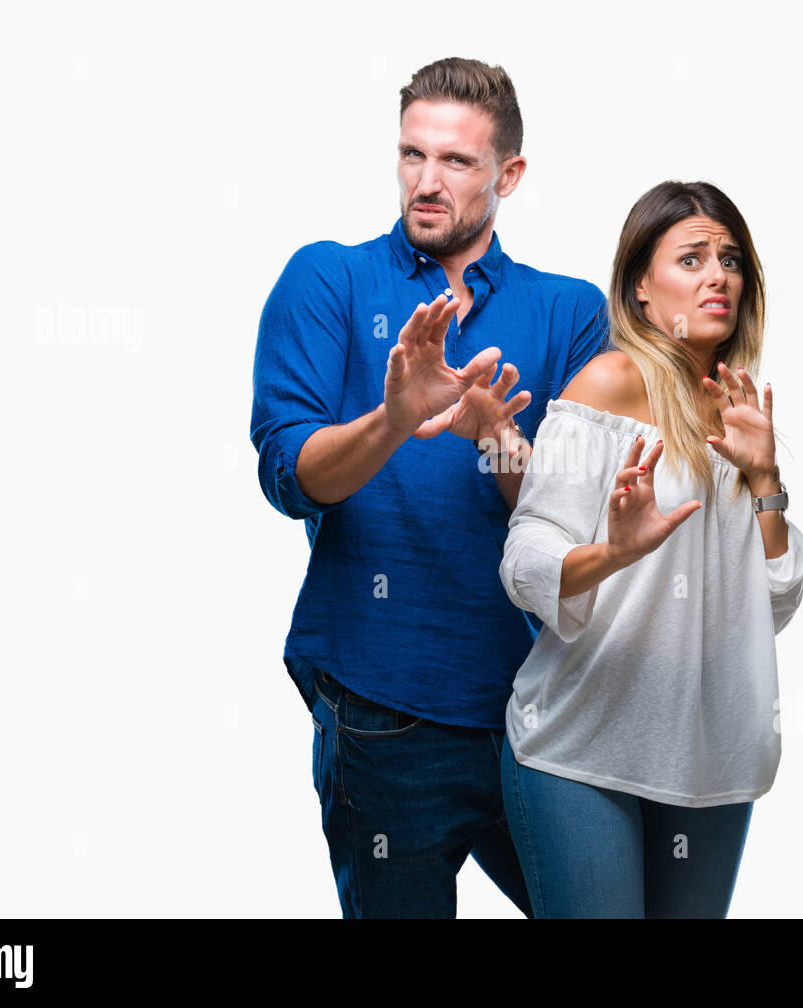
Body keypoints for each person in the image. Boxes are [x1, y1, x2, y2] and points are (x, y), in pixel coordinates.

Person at [249, 58, 609, 918]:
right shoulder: (327, 279)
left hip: (541, 711)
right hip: (383, 707)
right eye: (413, 155)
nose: (427, 182)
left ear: (509, 174)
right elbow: (289, 477)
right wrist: (391, 417)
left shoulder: (569, 312)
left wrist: (498, 441)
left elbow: (577, 525)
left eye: (455, 162)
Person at [498, 180, 803, 918]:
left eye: (731, 260)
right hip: (581, 746)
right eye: (693, 258)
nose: (718, 276)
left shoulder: (737, 412)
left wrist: (764, 477)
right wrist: (613, 551)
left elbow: (775, 601)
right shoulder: (609, 385)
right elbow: (525, 558)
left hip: (709, 758)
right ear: (641, 287)